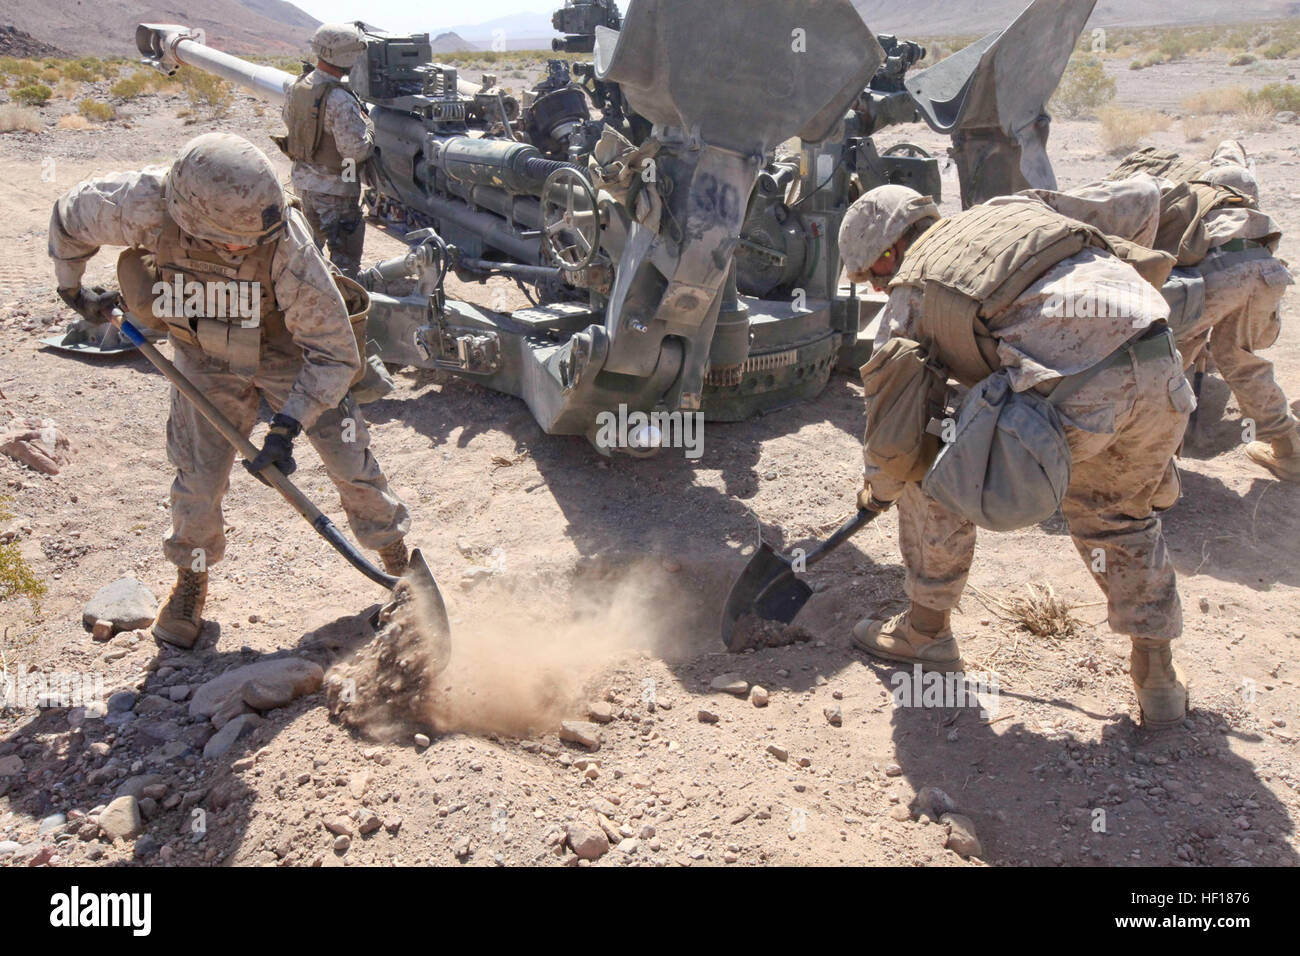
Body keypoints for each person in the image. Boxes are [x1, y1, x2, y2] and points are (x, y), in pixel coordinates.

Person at [839, 184, 1194, 728]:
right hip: (1163, 365)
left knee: (929, 471)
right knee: (1118, 517)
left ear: (888, 253)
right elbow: (1127, 208)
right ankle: (1158, 681)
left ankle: (926, 633)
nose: (879, 286)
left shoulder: (913, 290)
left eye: (873, 276)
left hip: (1082, 389)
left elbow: (894, 439)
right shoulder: (1009, 206)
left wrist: (877, 491)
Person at [48, 132, 411, 649]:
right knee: (198, 475)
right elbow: (67, 219)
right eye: (232, 240)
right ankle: (191, 582)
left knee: (349, 458)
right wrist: (73, 288)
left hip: (284, 350)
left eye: (252, 239)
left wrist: (286, 428)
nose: (246, 246)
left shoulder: (287, 244)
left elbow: (333, 353)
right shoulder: (142, 204)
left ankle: (397, 562)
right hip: (202, 353)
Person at [1110, 141, 1298, 481]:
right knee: (1239, 358)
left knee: (1166, 357)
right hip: (1268, 272)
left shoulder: (1199, 204)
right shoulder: (1251, 213)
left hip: (1222, 273)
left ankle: (1154, 456)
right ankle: (1288, 448)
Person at [278, 22, 373, 280]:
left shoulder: (298, 86)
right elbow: (354, 151)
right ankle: (344, 305)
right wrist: (371, 132)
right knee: (345, 260)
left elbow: (290, 122)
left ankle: (307, 294)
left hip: (304, 184)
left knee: (309, 252)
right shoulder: (340, 99)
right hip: (335, 191)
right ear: (346, 56)